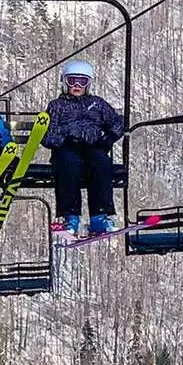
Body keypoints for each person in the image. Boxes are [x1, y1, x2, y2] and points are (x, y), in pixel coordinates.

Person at [43, 59, 125, 240]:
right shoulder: (57, 106)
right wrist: (63, 139)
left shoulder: (97, 104)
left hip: (92, 147)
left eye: (82, 81)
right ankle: (70, 216)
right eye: (72, 81)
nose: (77, 85)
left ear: (89, 83)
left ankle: (99, 216)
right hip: (66, 149)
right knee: (68, 165)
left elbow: (118, 122)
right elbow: (46, 135)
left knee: (101, 162)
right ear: (64, 82)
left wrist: (108, 138)